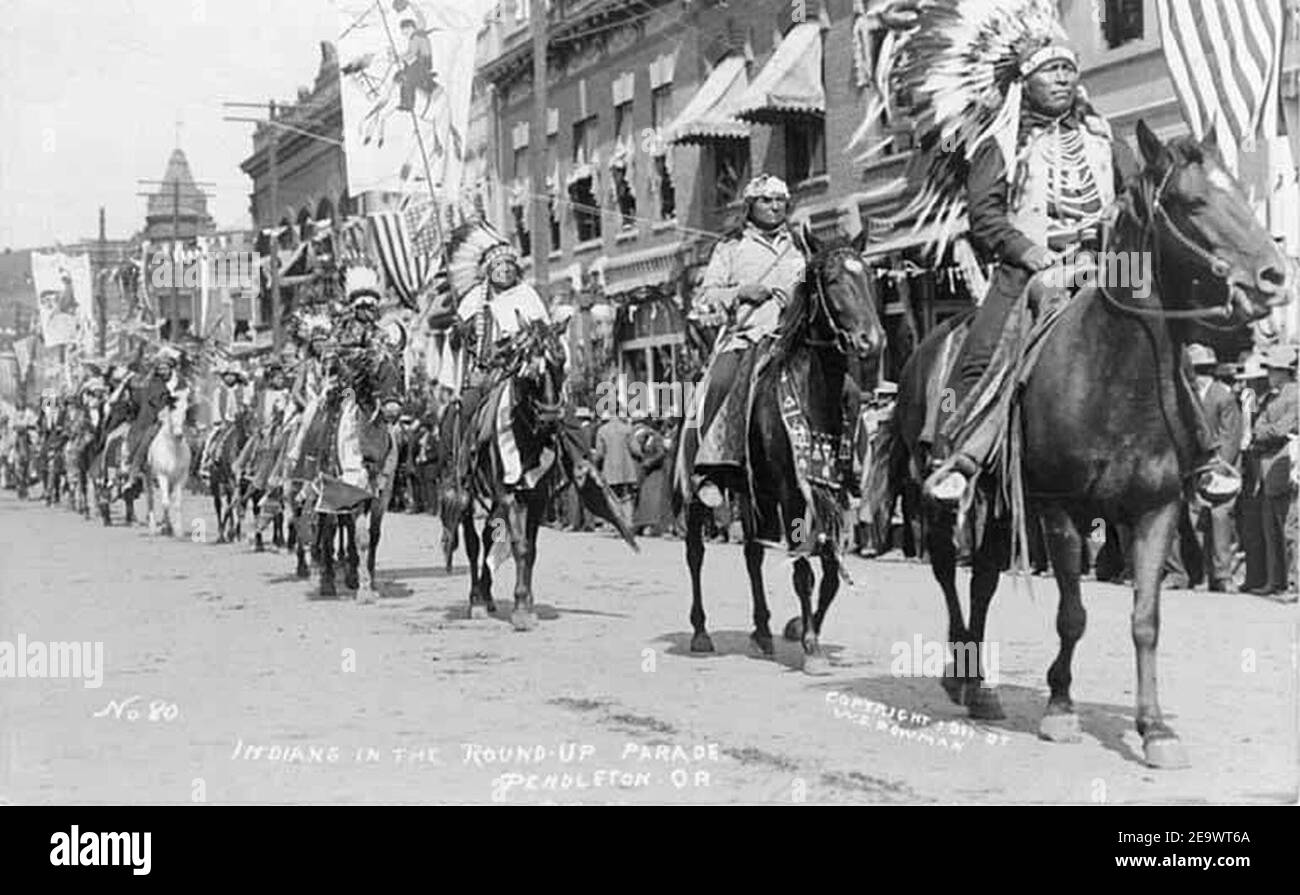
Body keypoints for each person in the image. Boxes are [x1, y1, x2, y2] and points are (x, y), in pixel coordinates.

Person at [918, 37, 1240, 508]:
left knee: (1168, 341)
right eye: (1050, 71)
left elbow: (1137, 196)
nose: (1063, 78)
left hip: (1111, 261)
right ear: (1026, 82)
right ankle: (956, 453)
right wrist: (1025, 249)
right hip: (1034, 267)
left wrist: (1123, 223)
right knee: (981, 349)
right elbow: (984, 216)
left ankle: (1201, 457)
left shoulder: (1104, 137)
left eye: (1069, 69)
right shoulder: (1000, 143)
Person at [682, 173, 808, 508]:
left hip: (794, 341)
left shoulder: (800, 246)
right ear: (750, 206)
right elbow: (705, 297)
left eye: (780, 200)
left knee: (845, 388)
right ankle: (711, 468)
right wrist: (740, 292)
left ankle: (849, 466)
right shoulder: (730, 247)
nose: (774, 206)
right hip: (747, 338)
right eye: (766, 200)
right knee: (720, 382)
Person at [454, 241, 552, 487]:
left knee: (558, 408)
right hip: (490, 371)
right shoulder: (475, 299)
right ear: (489, 270)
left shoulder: (528, 294)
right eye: (499, 266)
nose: (505, 270)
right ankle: (464, 467)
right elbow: (462, 340)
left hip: (527, 368)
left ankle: (579, 463)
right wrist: (461, 331)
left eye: (509, 265)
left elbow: (544, 329)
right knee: (467, 408)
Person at [1243, 344, 1298, 598]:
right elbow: (1262, 426)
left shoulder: (1294, 396)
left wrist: (1263, 432)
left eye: (1273, 369)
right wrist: (1265, 431)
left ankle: (1293, 583)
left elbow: (1276, 430)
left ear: (1284, 371)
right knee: (1271, 530)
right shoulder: (1271, 397)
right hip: (1269, 469)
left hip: (1285, 467)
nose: (1269, 374)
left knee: (1289, 530)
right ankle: (1276, 581)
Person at [123, 346, 184, 495]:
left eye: (166, 368)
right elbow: (153, 400)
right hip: (155, 419)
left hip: (178, 418)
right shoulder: (154, 382)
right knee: (145, 441)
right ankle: (133, 473)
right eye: (160, 368)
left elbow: (185, 397)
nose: (163, 371)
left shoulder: (179, 381)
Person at [593, 410, 639, 528]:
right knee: (626, 496)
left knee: (611, 497)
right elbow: (635, 449)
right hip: (626, 467)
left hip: (609, 467)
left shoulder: (602, 430)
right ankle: (628, 522)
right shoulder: (627, 429)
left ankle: (614, 525)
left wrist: (594, 463)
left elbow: (600, 453)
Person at [395, 4, 436, 113]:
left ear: (410, 28)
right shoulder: (416, 34)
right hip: (420, 61)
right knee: (403, 74)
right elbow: (421, 18)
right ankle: (404, 101)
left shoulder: (416, 36)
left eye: (405, 30)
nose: (403, 33)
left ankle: (408, 104)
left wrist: (400, 58)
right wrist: (399, 56)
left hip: (422, 63)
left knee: (407, 79)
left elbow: (412, 54)